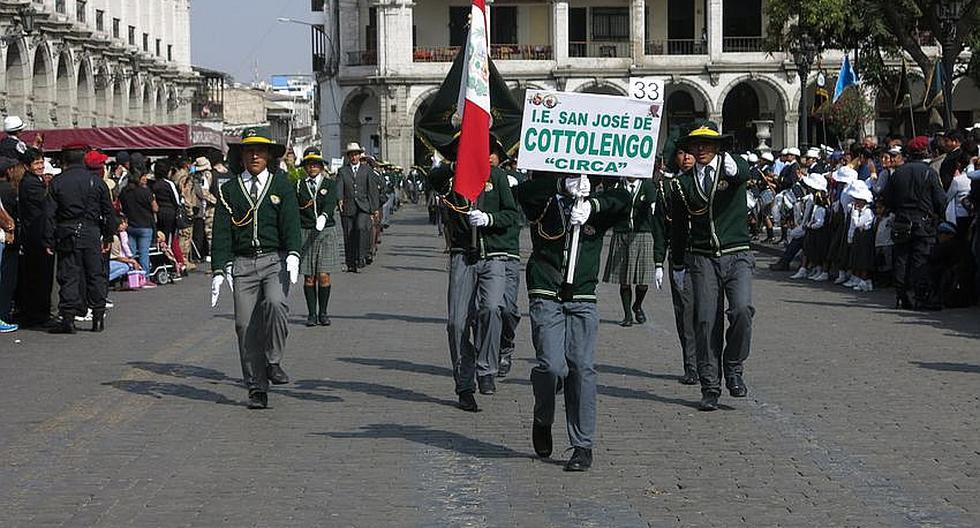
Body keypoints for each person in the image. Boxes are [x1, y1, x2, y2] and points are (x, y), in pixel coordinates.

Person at [516, 172, 629, 472]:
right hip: (546, 285)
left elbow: (624, 202)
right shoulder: (544, 194)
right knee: (552, 366)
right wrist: (559, 186)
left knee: (582, 367)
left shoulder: (594, 197)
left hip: (582, 293)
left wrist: (595, 206)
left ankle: (582, 444)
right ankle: (543, 416)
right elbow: (525, 194)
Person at [209, 127, 302, 410]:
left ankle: (273, 361)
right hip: (243, 264)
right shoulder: (230, 189)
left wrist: (295, 254)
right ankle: (256, 387)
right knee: (244, 326)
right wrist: (217, 268)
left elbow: (291, 223)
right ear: (242, 155)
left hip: (274, 260)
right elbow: (222, 231)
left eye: (260, 150)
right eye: (249, 150)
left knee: (276, 304)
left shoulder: (281, 184)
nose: (254, 155)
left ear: (268, 155)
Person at [664, 122, 754, 412]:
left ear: (717, 146)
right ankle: (710, 385)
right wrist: (677, 264)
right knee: (704, 321)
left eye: (707, 143)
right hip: (702, 256)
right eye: (696, 144)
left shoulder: (732, 167)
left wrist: (728, 158)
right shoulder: (682, 183)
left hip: (737, 252)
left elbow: (743, 173)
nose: (701, 149)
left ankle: (734, 365)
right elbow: (678, 226)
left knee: (741, 310)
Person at [426, 142, 520, 409]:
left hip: (494, 255)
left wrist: (489, 219)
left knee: (492, 309)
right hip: (462, 254)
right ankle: (464, 383)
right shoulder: (452, 177)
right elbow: (433, 179)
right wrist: (457, 166)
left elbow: (511, 215)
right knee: (457, 322)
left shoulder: (498, 177)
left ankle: (486, 369)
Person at [44, 145, 118, 333]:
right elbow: (109, 213)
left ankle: (68, 319)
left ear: (65, 161)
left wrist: (49, 240)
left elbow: (49, 215)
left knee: (68, 275)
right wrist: (108, 236)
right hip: (92, 232)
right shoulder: (96, 182)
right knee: (95, 275)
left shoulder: (57, 182)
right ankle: (98, 317)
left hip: (66, 232)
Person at [881, 136, 946, 310]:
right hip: (923, 222)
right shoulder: (928, 172)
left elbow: (886, 199)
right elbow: (940, 199)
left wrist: (899, 209)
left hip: (902, 220)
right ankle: (919, 296)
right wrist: (939, 215)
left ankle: (902, 295)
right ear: (926, 152)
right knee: (920, 259)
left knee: (901, 258)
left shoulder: (898, 173)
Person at [602, 175, 665, 327]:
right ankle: (627, 315)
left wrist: (651, 206)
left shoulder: (647, 185)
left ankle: (637, 305)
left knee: (643, 278)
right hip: (622, 232)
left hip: (643, 233)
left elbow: (652, 202)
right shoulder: (617, 186)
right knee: (624, 279)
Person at [662, 145, 698, 385]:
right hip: (681, 254)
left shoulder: (710, 181)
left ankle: (707, 363)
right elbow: (666, 225)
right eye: (681, 154)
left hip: (706, 255)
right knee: (685, 313)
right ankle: (691, 365)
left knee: (706, 315)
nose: (686, 158)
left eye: (690, 153)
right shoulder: (671, 186)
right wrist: (667, 262)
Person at [295, 147, 341, 327]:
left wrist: (324, 215)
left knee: (323, 275)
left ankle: (323, 312)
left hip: (326, 231)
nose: (312, 167)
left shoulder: (329, 184)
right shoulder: (299, 185)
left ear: (321, 166)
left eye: (315, 164)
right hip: (305, 231)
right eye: (309, 164)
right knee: (309, 277)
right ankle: (311, 314)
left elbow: (330, 203)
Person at [491, 142, 523, 378]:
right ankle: (488, 354)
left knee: (508, 309)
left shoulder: (513, 179)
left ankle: (506, 346)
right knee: (486, 309)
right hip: (485, 253)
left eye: (492, 152)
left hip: (509, 249)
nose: (489, 157)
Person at [15, 148, 56, 327]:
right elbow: (46, 204)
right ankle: (38, 315)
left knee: (37, 275)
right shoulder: (31, 184)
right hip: (36, 235)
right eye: (36, 163)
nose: (40, 166)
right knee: (39, 276)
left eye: (41, 163)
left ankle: (36, 313)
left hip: (34, 233)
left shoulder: (35, 181)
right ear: (27, 166)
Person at [336, 143, 380, 273]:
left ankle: (361, 257)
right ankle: (350, 262)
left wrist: (374, 208)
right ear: (348, 156)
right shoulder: (343, 171)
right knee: (348, 235)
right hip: (348, 207)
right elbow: (339, 186)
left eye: (356, 154)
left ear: (359, 156)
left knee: (361, 228)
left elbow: (372, 190)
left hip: (363, 206)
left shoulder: (366, 170)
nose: (354, 157)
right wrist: (339, 199)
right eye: (351, 155)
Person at [118, 161, 158, 280]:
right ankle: (144, 277)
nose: (145, 178)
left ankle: (131, 275)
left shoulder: (125, 192)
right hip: (145, 225)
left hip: (131, 226)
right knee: (144, 253)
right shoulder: (145, 191)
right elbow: (155, 208)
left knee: (131, 252)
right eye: (143, 176)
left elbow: (121, 207)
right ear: (138, 179)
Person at [0, 156, 23, 325]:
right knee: (6, 279)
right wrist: (10, 226)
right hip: (7, 239)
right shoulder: (10, 190)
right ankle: (3, 314)